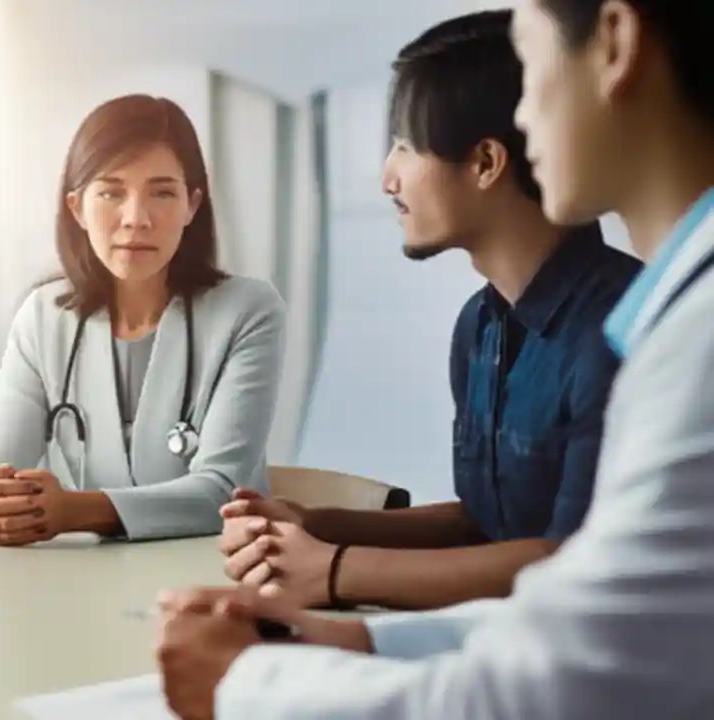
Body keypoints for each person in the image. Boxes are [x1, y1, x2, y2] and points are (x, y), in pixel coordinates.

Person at [155, 0, 714, 717]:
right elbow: (562, 588)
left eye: (536, 71)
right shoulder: (497, 328)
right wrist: (330, 558)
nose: (527, 118)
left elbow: (566, 639)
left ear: (615, 43)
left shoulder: (660, 341)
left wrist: (267, 662)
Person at [218, 9, 639, 611]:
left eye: (406, 147)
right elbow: (485, 523)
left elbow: (568, 560)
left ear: (487, 163)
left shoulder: (618, 330)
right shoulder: (480, 327)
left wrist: (335, 570)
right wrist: (313, 524)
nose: (388, 178)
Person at [0, 95, 288, 545]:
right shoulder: (43, 317)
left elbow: (222, 493)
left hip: (215, 579)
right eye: (111, 192)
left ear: (192, 205)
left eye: (162, 193)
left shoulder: (247, 310)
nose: (136, 219)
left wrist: (74, 511)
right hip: (83, 583)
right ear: (77, 208)